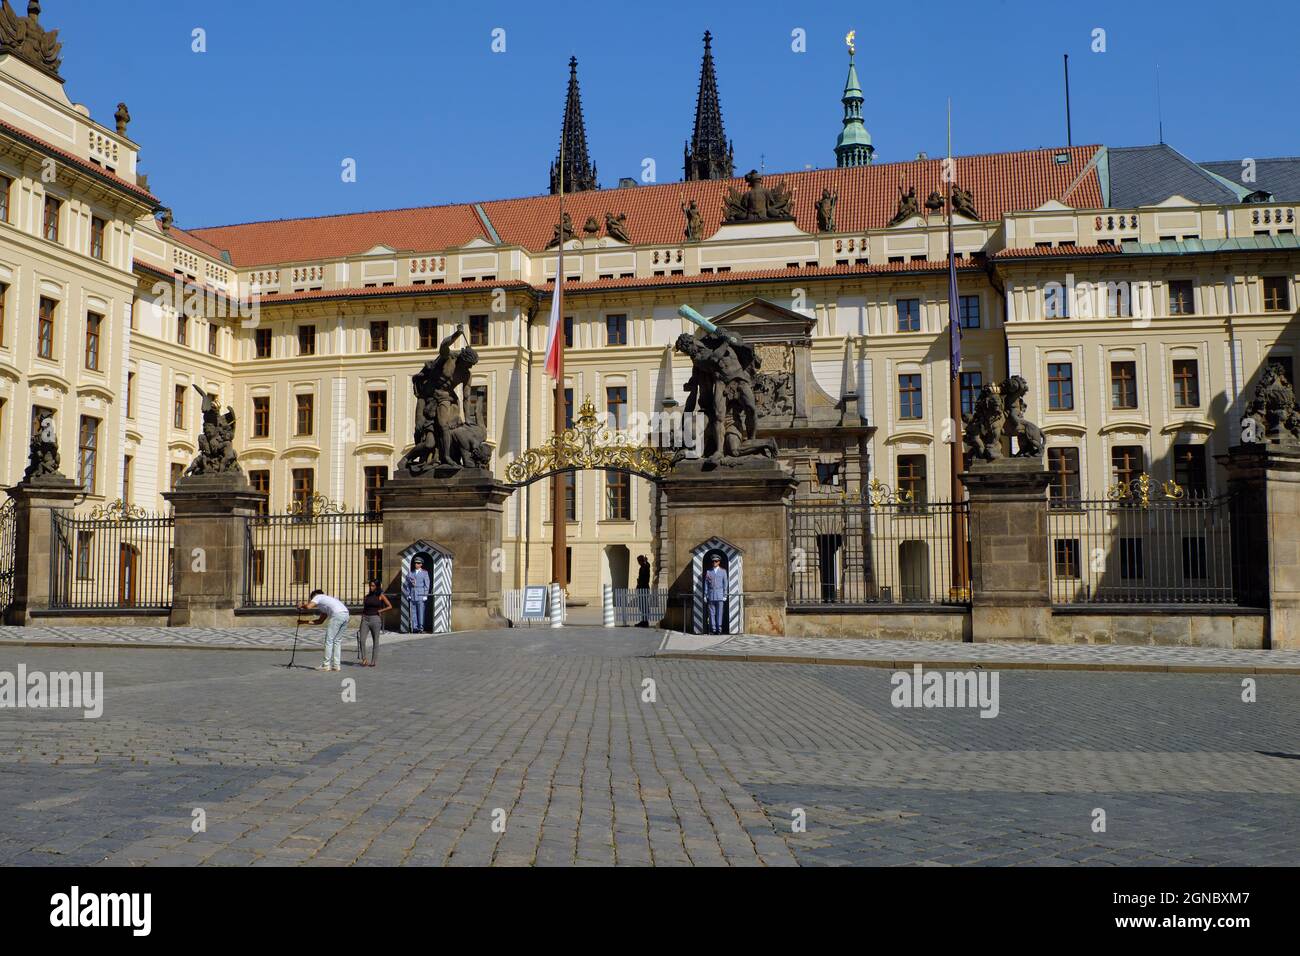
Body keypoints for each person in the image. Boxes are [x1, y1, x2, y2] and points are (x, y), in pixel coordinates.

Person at [298, 589, 349, 671]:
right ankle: (336, 665)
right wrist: (303, 622)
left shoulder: (318, 596)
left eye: (312, 599)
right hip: (346, 615)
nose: (313, 602)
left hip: (337, 615)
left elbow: (308, 607)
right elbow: (320, 621)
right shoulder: (326, 604)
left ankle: (326, 665)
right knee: (337, 641)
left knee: (329, 641)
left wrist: (301, 606)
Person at [358, 578, 391, 667]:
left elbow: (389, 606)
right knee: (362, 640)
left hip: (375, 619)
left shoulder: (380, 596)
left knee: (375, 640)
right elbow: (364, 609)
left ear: (377, 586)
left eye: (373, 586)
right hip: (365, 619)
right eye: (370, 585)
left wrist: (380, 611)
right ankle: (364, 659)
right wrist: (362, 619)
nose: (371, 587)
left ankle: (373, 661)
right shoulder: (366, 596)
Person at [404, 556, 431, 633]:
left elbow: (427, 584)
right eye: (415, 563)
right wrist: (408, 594)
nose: (416, 564)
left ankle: (421, 627)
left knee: (421, 611)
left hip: (421, 594)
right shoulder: (411, 573)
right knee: (413, 612)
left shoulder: (424, 573)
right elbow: (407, 584)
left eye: (418, 563)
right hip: (413, 593)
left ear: (421, 564)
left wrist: (425, 595)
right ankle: (415, 627)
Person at [704, 555, 728, 635]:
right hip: (711, 595)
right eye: (713, 561)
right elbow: (706, 584)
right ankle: (713, 629)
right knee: (711, 613)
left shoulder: (723, 571)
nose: (714, 562)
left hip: (720, 595)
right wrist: (705, 594)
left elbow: (725, 584)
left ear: (719, 562)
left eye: (716, 561)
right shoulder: (709, 571)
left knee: (719, 613)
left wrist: (725, 595)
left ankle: (719, 629)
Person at [635, 554, 652, 627]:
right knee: (641, 605)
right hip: (641, 588)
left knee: (644, 605)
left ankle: (645, 621)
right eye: (638, 561)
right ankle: (643, 620)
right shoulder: (641, 568)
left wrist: (646, 561)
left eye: (639, 561)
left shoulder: (645, 566)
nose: (638, 562)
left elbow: (648, 566)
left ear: (642, 561)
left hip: (644, 588)